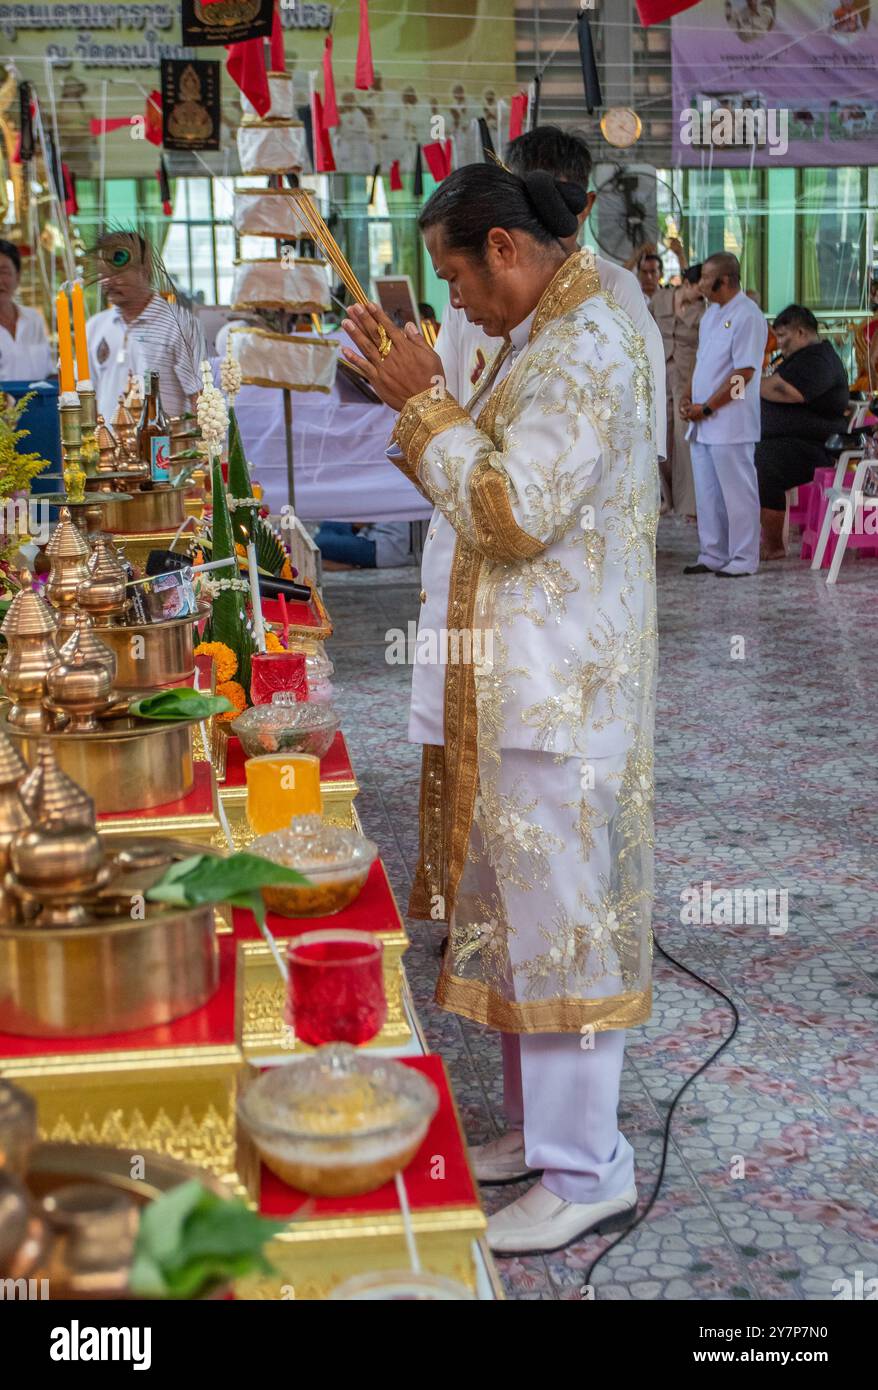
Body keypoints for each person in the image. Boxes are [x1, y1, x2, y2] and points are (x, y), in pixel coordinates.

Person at [342, 163, 657, 1256]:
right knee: (521, 920)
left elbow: (511, 512)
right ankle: (539, 1134)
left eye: (455, 276)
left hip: (557, 692)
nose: (454, 301)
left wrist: (426, 400)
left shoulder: (585, 346)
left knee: (561, 925)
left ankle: (589, 1168)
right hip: (513, 680)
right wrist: (426, 398)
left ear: (506, 252)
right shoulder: (537, 335)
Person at [681, 252, 767, 576]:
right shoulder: (711, 315)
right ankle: (712, 553)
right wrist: (690, 397)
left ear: (725, 280)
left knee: (737, 493)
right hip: (703, 423)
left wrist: (708, 407)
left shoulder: (748, 315)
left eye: (705, 277)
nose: (699, 283)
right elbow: (702, 363)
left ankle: (744, 558)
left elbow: (744, 374)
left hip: (731, 423)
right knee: (708, 494)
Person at [756, 305, 849, 560]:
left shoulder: (818, 359)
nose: (779, 344)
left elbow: (784, 391)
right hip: (796, 440)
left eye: (783, 336)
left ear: (800, 332)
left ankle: (774, 546)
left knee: (766, 462)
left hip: (820, 446)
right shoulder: (801, 357)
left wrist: (745, 382)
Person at [85, 231, 203, 421]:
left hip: (163, 448)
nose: (107, 281)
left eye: (116, 272)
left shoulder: (180, 325)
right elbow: (86, 395)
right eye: (102, 273)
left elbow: (199, 396)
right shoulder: (94, 327)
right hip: (107, 447)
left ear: (145, 269)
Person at [650, 263, 705, 517]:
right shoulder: (660, 299)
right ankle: (667, 497)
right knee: (661, 435)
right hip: (660, 373)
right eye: (698, 288)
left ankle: (688, 505)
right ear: (688, 284)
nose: (700, 294)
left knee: (683, 440)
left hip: (686, 376)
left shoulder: (703, 311)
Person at [0, 240, 53, 382]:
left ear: (17, 277)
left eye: (4, 272)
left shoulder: (33, 319)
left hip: (38, 402)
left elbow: (48, 372)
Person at [314, 520, 416, 570]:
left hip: (382, 548)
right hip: (372, 536)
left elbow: (361, 520)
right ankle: (338, 561)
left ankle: (347, 564)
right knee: (328, 525)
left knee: (320, 543)